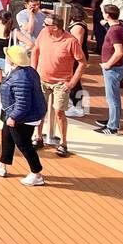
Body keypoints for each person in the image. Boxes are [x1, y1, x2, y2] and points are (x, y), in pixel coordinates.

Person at [0, 46, 47, 186]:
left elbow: (23, 103)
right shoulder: (26, 71)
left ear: (13, 61)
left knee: (24, 144)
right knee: (7, 137)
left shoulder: (20, 78)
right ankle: (2, 164)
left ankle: (37, 174)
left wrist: (14, 118)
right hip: (15, 113)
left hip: (23, 117)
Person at [31, 10, 85, 157]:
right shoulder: (44, 33)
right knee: (40, 110)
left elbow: (82, 62)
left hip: (61, 83)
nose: (43, 25)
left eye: (46, 24)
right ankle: (38, 137)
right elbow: (35, 50)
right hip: (42, 79)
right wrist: (33, 70)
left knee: (60, 112)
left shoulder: (71, 41)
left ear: (55, 27)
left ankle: (63, 143)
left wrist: (72, 82)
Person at [94, 3, 123, 135]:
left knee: (112, 98)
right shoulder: (120, 26)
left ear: (107, 15)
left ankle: (113, 126)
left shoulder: (114, 31)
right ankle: (113, 120)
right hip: (117, 66)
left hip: (112, 68)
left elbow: (118, 51)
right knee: (114, 97)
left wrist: (108, 64)